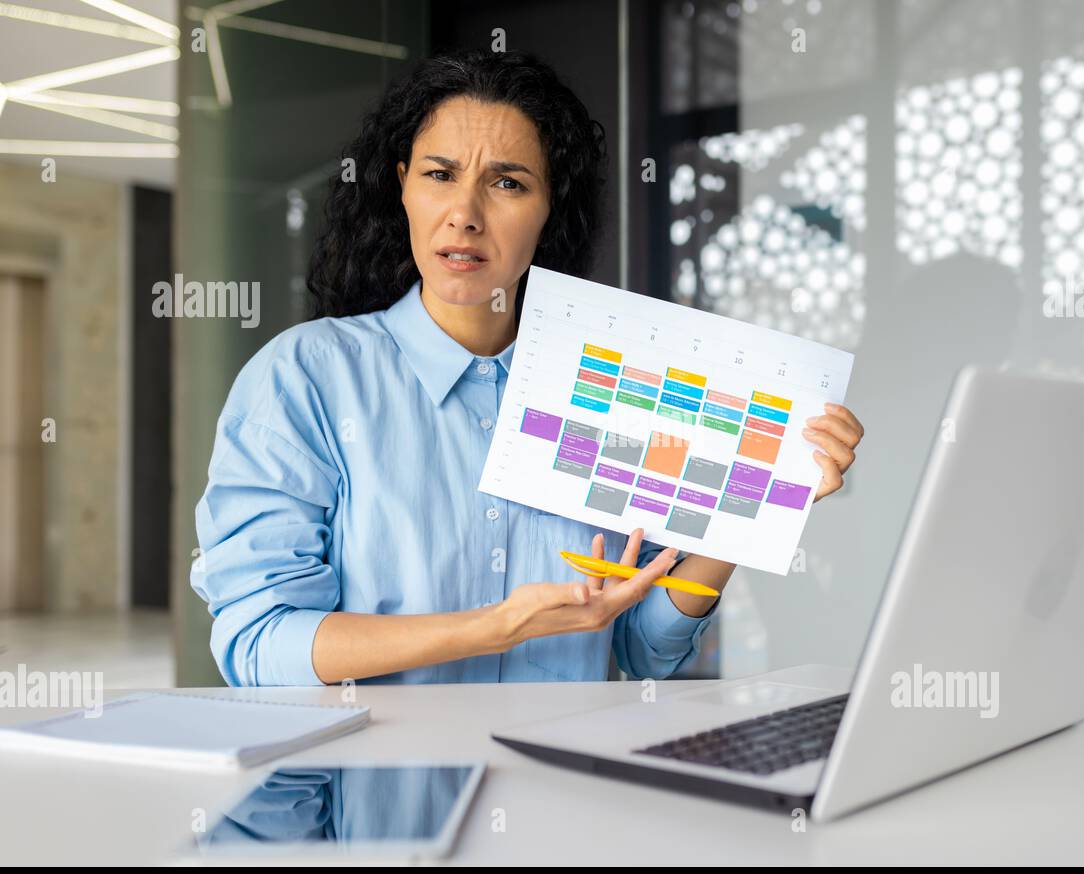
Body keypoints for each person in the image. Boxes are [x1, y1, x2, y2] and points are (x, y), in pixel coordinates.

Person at [190, 49, 864, 687]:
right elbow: (258, 642)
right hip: (383, 800)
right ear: (403, 188)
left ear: (548, 209)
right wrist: (494, 627)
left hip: (566, 795)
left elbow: (641, 651)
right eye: (439, 174)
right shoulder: (305, 380)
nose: (465, 214)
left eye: (507, 183)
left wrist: (756, 505)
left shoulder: (614, 389)